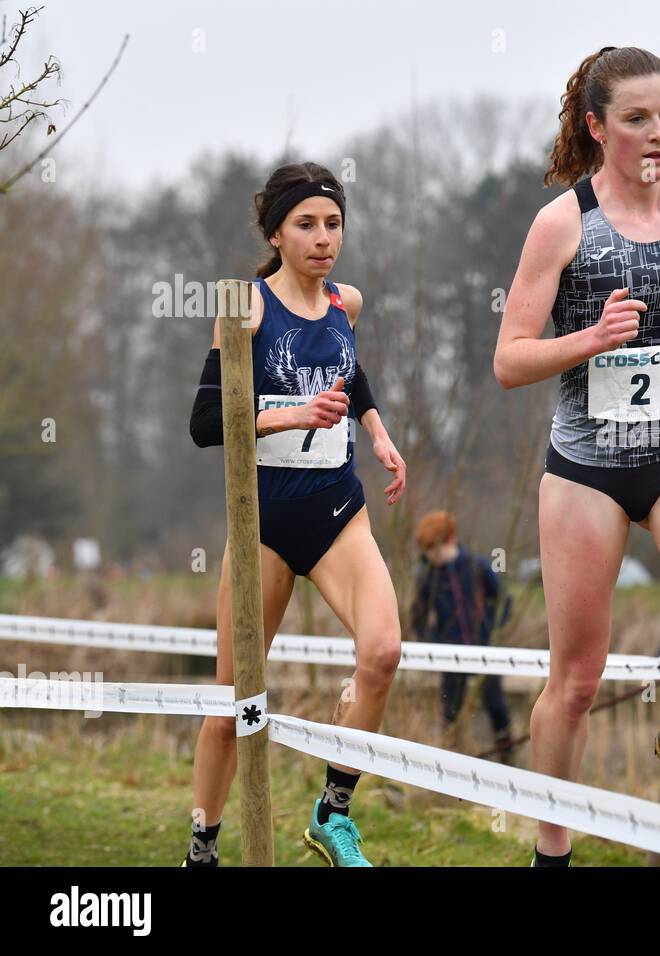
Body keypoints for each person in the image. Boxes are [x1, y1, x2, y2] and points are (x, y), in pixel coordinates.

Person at [493, 46, 660, 867]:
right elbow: (509, 358)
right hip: (587, 470)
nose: (659, 135)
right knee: (577, 681)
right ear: (596, 126)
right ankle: (553, 848)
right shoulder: (563, 223)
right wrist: (590, 337)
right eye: (638, 120)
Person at [186, 161, 407, 867]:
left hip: (338, 511)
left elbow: (351, 370)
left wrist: (375, 430)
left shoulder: (348, 302)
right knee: (232, 708)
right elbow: (202, 422)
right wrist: (290, 415)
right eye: (306, 224)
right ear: (276, 233)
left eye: (333, 223)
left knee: (382, 652)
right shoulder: (246, 307)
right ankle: (203, 846)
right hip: (264, 525)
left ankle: (331, 812)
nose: (323, 238)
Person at [409, 510, 515, 761]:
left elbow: (503, 600)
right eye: (427, 553)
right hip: (451, 656)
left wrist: (492, 627)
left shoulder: (476, 566)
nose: (432, 558)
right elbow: (418, 619)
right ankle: (451, 763)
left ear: (451, 541)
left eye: (435, 551)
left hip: (485, 651)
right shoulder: (428, 578)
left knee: (497, 707)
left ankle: (508, 759)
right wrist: (434, 644)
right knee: (451, 713)